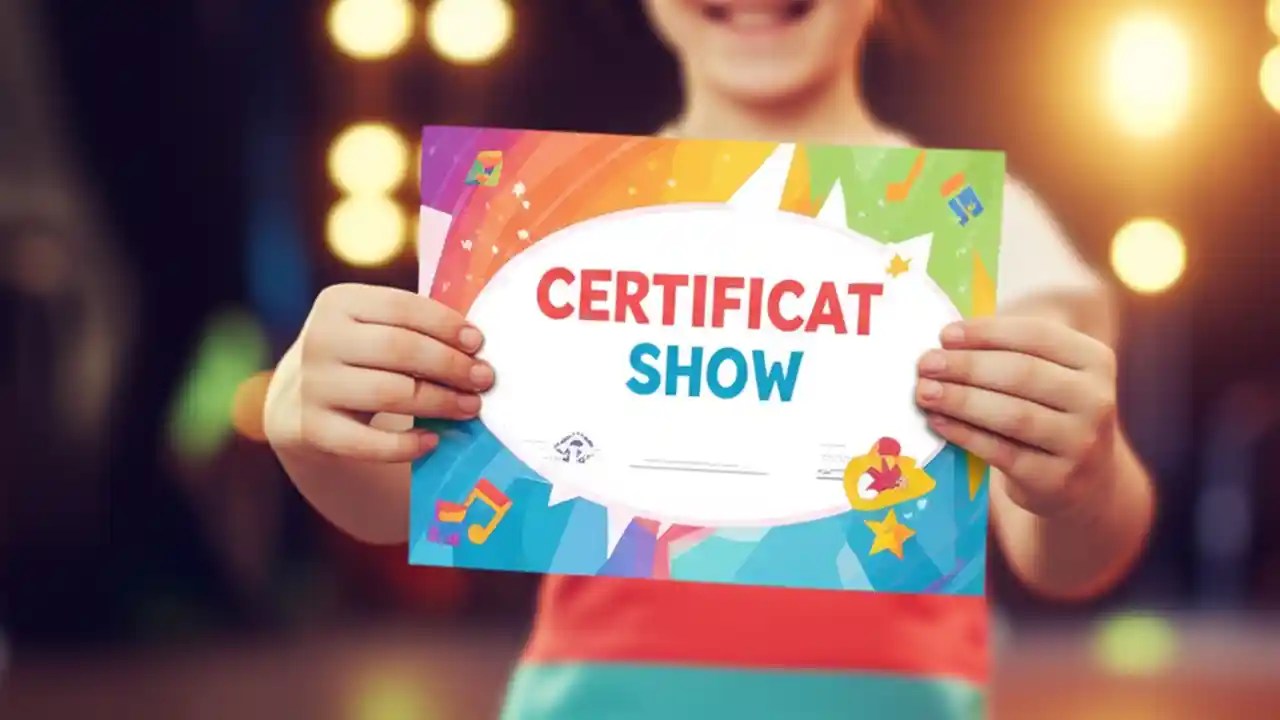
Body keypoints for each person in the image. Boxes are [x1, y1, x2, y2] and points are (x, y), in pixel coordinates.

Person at [265, 1, 1155, 716]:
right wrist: (311, 433)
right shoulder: (555, 223)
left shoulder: (994, 236)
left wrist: (1085, 477)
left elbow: (1065, 554)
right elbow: (401, 500)